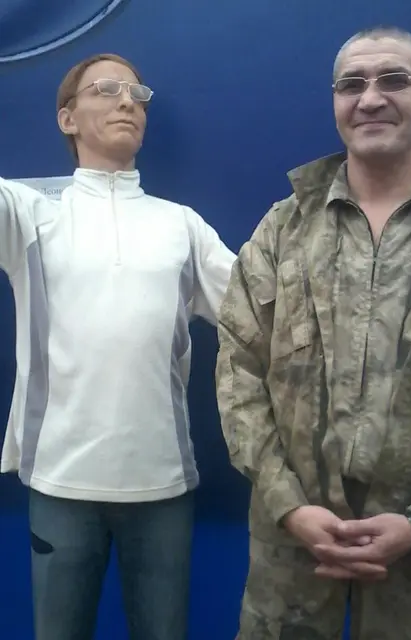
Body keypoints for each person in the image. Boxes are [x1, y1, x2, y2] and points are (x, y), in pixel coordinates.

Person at [215, 26, 411, 640]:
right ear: (336, 102)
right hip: (291, 555)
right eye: (352, 85)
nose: (370, 98)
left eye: (393, 79)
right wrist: (289, 506)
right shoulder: (282, 230)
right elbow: (238, 374)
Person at [0, 53, 236, 640]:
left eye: (137, 93)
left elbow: (261, 310)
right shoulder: (27, 214)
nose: (127, 100)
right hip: (60, 480)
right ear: (67, 118)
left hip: (163, 483)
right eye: (105, 89)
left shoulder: (182, 225)